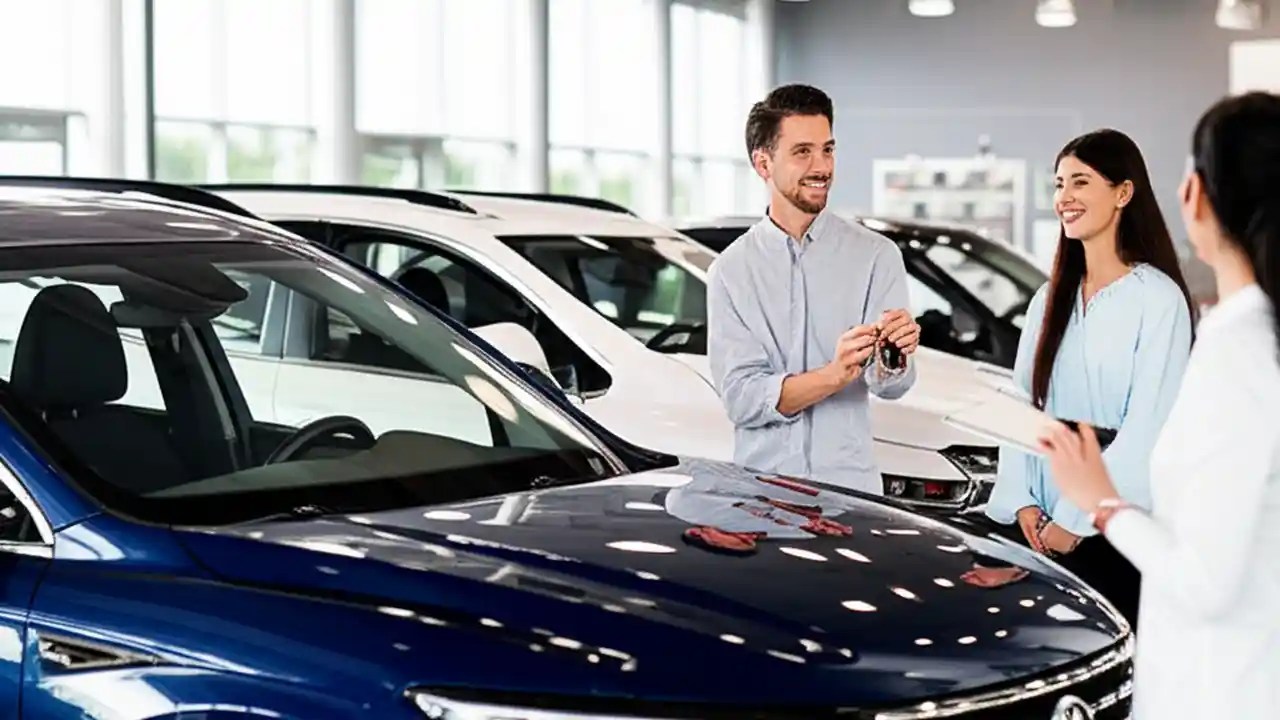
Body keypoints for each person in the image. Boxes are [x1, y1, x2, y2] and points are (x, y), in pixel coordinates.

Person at [1040, 91, 1280, 720]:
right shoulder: (1245, 339)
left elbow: (1206, 581)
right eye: (1059, 183)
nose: (1065, 194)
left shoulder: (1239, 354)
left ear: (1194, 196)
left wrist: (1100, 506)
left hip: (1222, 688)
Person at [983, 128, 1196, 624]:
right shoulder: (1048, 299)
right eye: (1059, 185)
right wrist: (1023, 507)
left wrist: (1077, 520)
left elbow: (1150, 426)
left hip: (1111, 535)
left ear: (1123, 192)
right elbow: (1021, 408)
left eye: (1080, 182)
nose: (1065, 198)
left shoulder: (1158, 300)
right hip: (1035, 535)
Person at [706, 84, 920, 495]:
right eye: (802, 152)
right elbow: (742, 398)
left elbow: (892, 386)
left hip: (852, 498)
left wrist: (895, 354)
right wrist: (832, 375)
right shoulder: (731, 272)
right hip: (762, 497)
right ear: (763, 163)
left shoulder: (876, 256)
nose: (822, 166)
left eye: (828, 149)